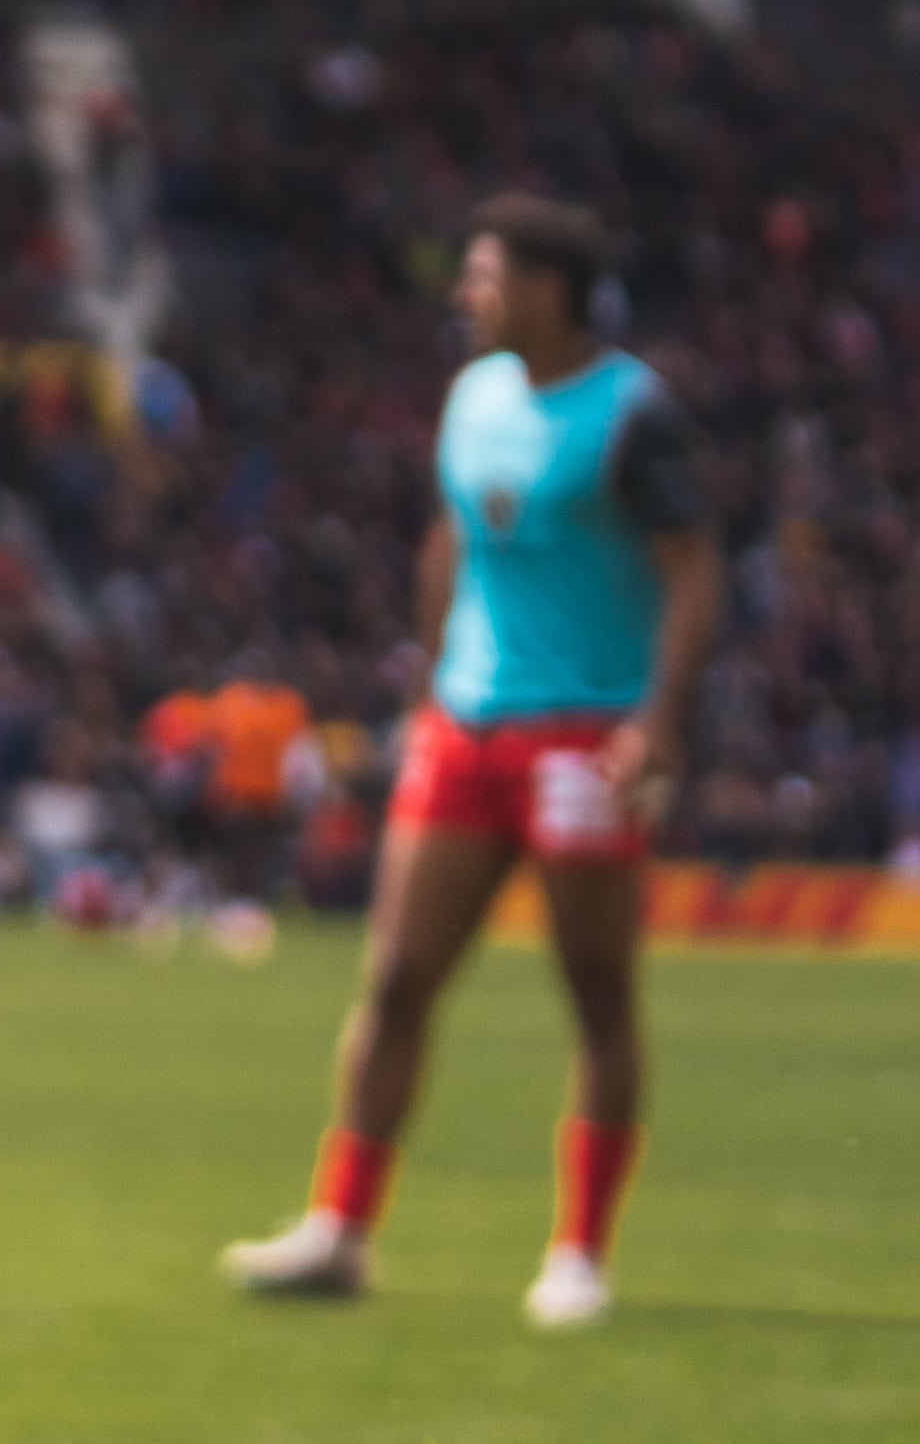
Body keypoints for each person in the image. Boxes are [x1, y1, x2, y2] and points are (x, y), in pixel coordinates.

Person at [223, 192, 719, 1329]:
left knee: (596, 995)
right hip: (467, 726)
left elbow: (695, 566)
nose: (464, 294)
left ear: (547, 289)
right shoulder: (470, 397)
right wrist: (428, 679)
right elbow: (450, 537)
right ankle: (340, 1230)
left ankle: (580, 1251)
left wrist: (662, 719)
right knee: (397, 976)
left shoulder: (632, 413)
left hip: (587, 736)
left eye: (483, 275)